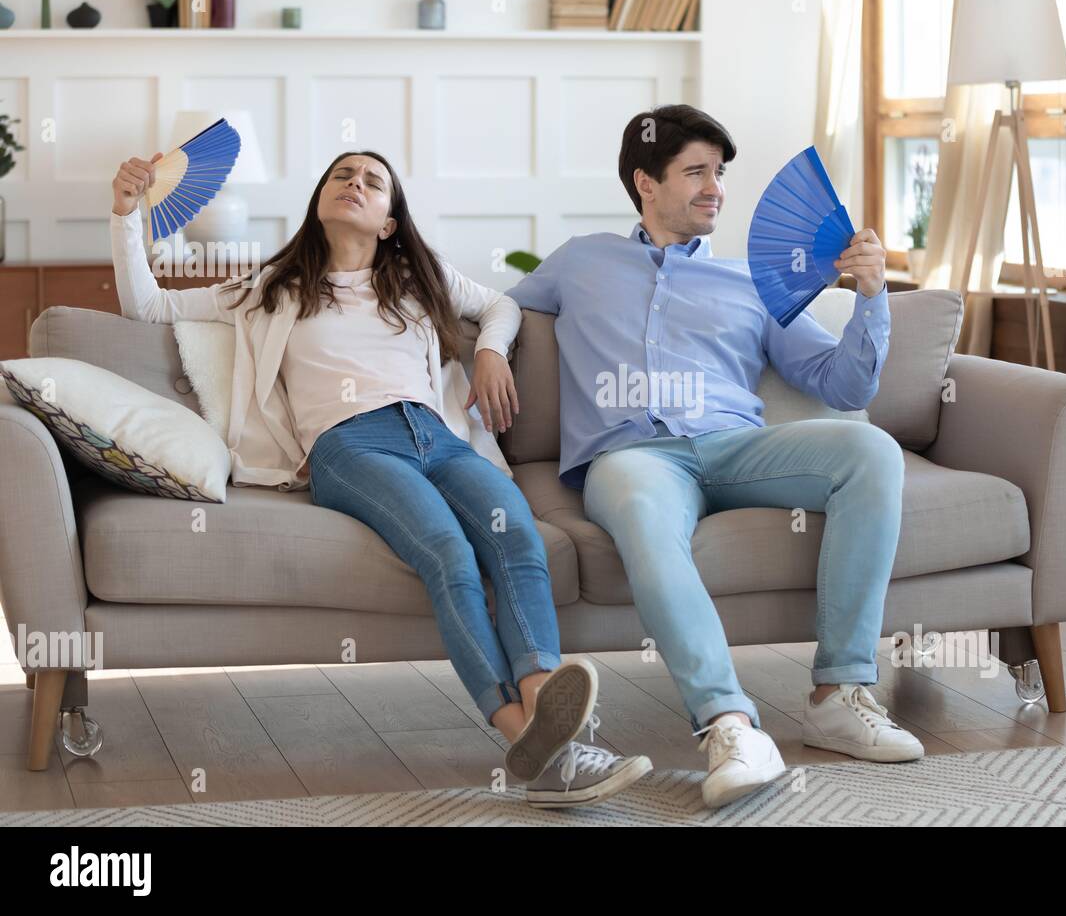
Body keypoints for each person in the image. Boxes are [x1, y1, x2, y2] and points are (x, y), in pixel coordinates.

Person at [108, 148, 651, 808]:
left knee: (518, 541)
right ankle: (521, 735)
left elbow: (502, 306)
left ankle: (545, 715)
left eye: (372, 181)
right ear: (320, 200)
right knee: (448, 554)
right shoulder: (269, 288)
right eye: (342, 176)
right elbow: (147, 306)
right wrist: (126, 214)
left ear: (390, 221)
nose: (354, 184)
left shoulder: (418, 281)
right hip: (351, 445)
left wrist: (487, 352)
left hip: (440, 439)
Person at [506, 105, 922, 809]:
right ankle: (729, 725)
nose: (716, 188)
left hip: (737, 446)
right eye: (696, 172)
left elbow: (842, 384)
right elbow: (491, 309)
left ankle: (838, 696)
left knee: (871, 451)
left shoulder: (753, 283)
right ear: (646, 182)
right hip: (633, 456)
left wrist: (871, 299)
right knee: (640, 510)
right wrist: (489, 347)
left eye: (719, 173)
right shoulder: (580, 261)